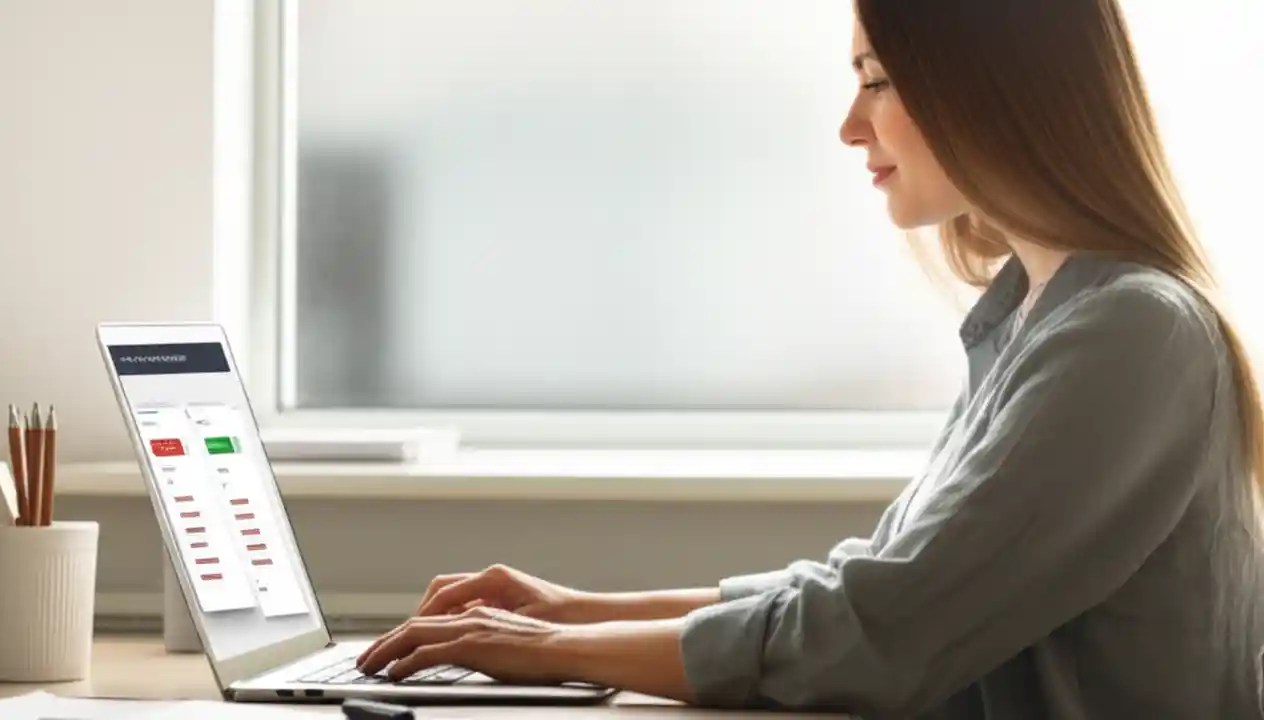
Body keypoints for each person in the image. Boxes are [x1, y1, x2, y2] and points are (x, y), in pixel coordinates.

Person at [355, 1, 1264, 717]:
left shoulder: (1130, 336)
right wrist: (570, 610)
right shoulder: (1042, 320)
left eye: (876, 80)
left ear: (989, 86)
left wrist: (548, 654)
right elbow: (869, 584)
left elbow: (883, 632)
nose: (848, 126)